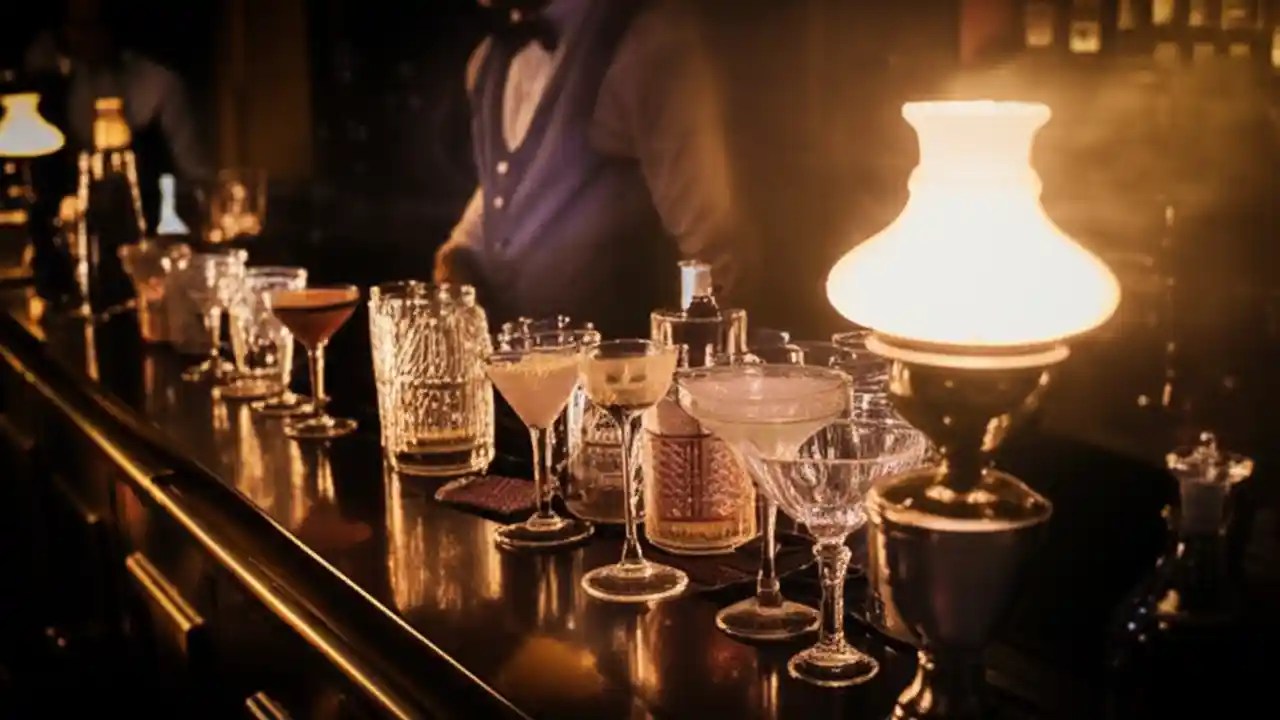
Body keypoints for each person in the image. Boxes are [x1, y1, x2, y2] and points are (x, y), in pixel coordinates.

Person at [434, 0, 752, 337]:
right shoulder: (486, 61)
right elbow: (506, 186)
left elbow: (712, 246)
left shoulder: (647, 40)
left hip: (620, 361)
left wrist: (698, 353)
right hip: (512, 363)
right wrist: (459, 254)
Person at [24, 0, 209, 230]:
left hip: (154, 226)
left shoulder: (158, 86)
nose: (79, 37)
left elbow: (192, 172)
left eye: (89, 26)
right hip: (88, 227)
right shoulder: (64, 87)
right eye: (73, 27)